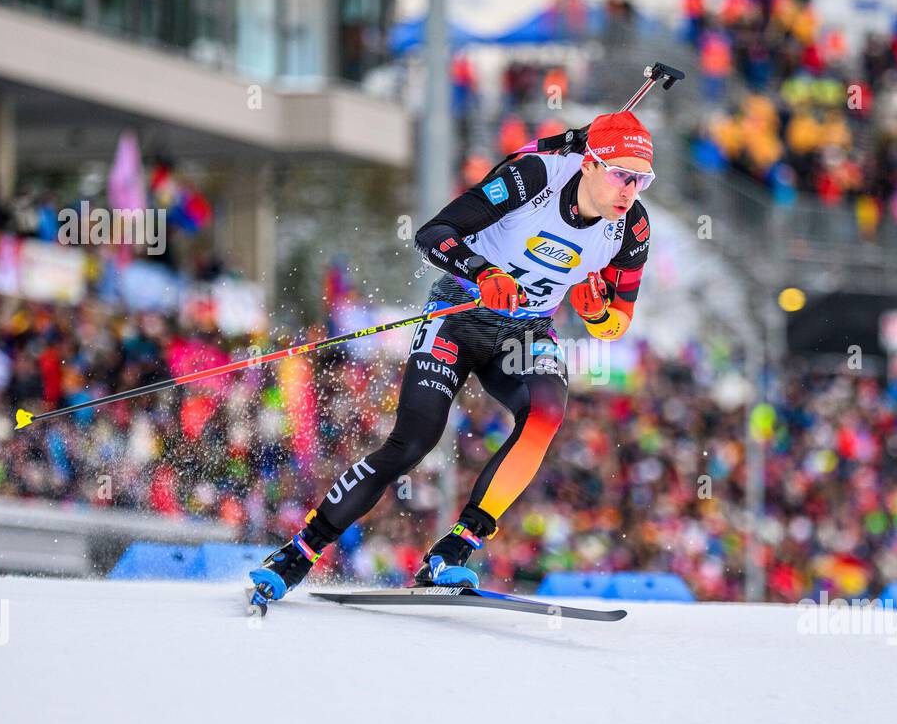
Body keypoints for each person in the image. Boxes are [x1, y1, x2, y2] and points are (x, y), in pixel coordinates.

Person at [249, 111, 656, 602]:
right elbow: (434, 234)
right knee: (413, 442)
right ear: (588, 163)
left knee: (545, 416)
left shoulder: (631, 228)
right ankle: (298, 552)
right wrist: (484, 271)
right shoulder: (534, 178)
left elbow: (618, 321)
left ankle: (454, 550)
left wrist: (596, 314)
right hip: (460, 314)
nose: (629, 190)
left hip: (523, 332)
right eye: (620, 175)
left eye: (641, 179)